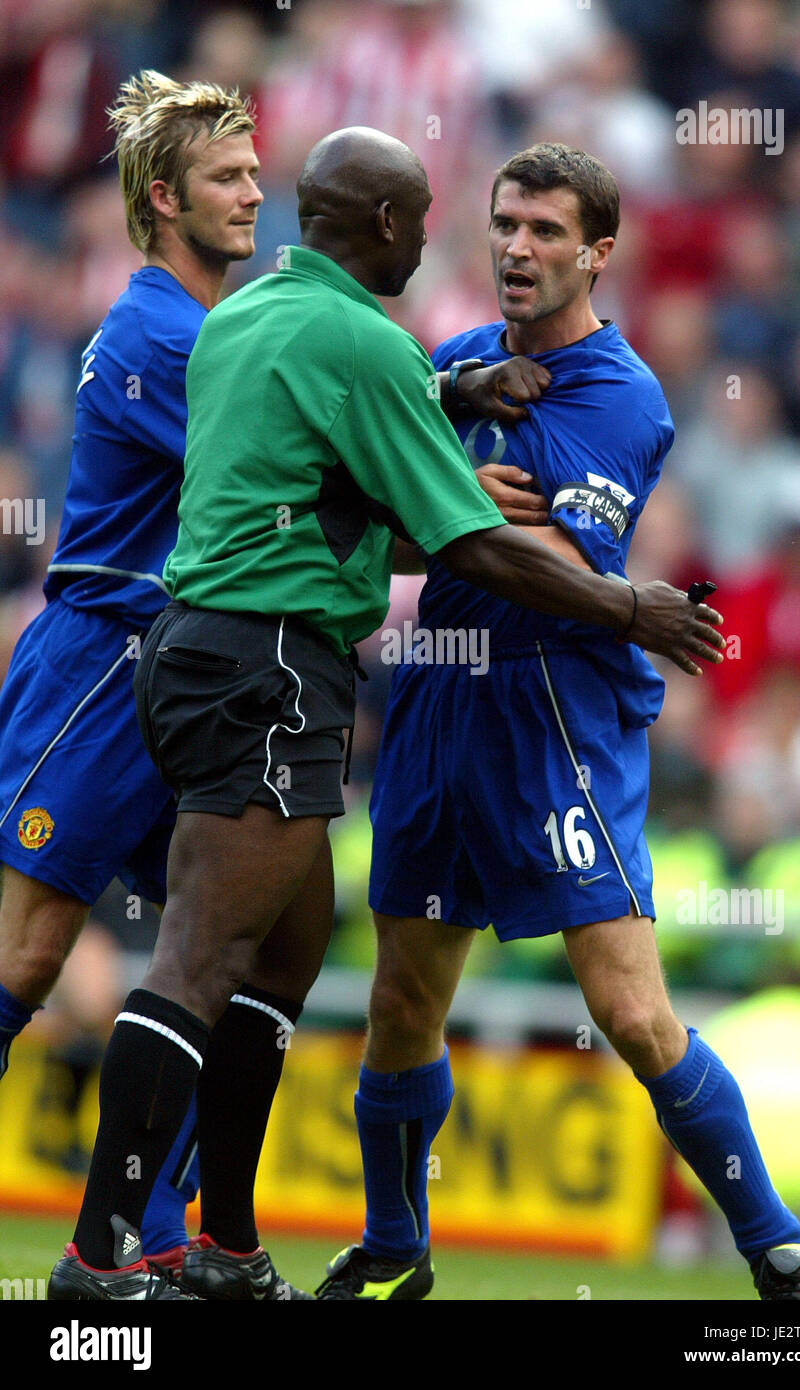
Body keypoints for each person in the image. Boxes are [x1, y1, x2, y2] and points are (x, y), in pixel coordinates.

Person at [47, 125, 724, 1301]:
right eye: (424, 215)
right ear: (380, 225)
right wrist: (630, 606)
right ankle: (99, 1256)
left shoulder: (244, 318)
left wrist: (446, 397)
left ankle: (229, 1243)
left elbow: (331, 497)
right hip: (266, 663)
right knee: (200, 956)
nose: (449, 236)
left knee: (286, 954)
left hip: (215, 655)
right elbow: (464, 542)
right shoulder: (365, 341)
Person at [314, 143, 800, 1302]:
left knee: (631, 1011)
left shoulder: (617, 393)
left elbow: (552, 561)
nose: (515, 247)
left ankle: (777, 1250)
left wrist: (436, 515)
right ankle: (396, 1246)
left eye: (546, 231)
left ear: (597, 252)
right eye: (503, 224)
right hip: (439, 699)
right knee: (402, 998)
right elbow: (383, 539)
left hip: (554, 706)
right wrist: (441, 515)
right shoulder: (448, 365)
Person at [0, 70, 268, 1290]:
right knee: (23, 959)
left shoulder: (221, 324)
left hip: (173, 678)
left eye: (255, 169)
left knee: (206, 955)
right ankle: (146, 1240)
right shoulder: (163, 331)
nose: (254, 188)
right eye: (226, 175)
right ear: (163, 199)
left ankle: (153, 1238)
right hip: (100, 666)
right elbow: (283, 469)